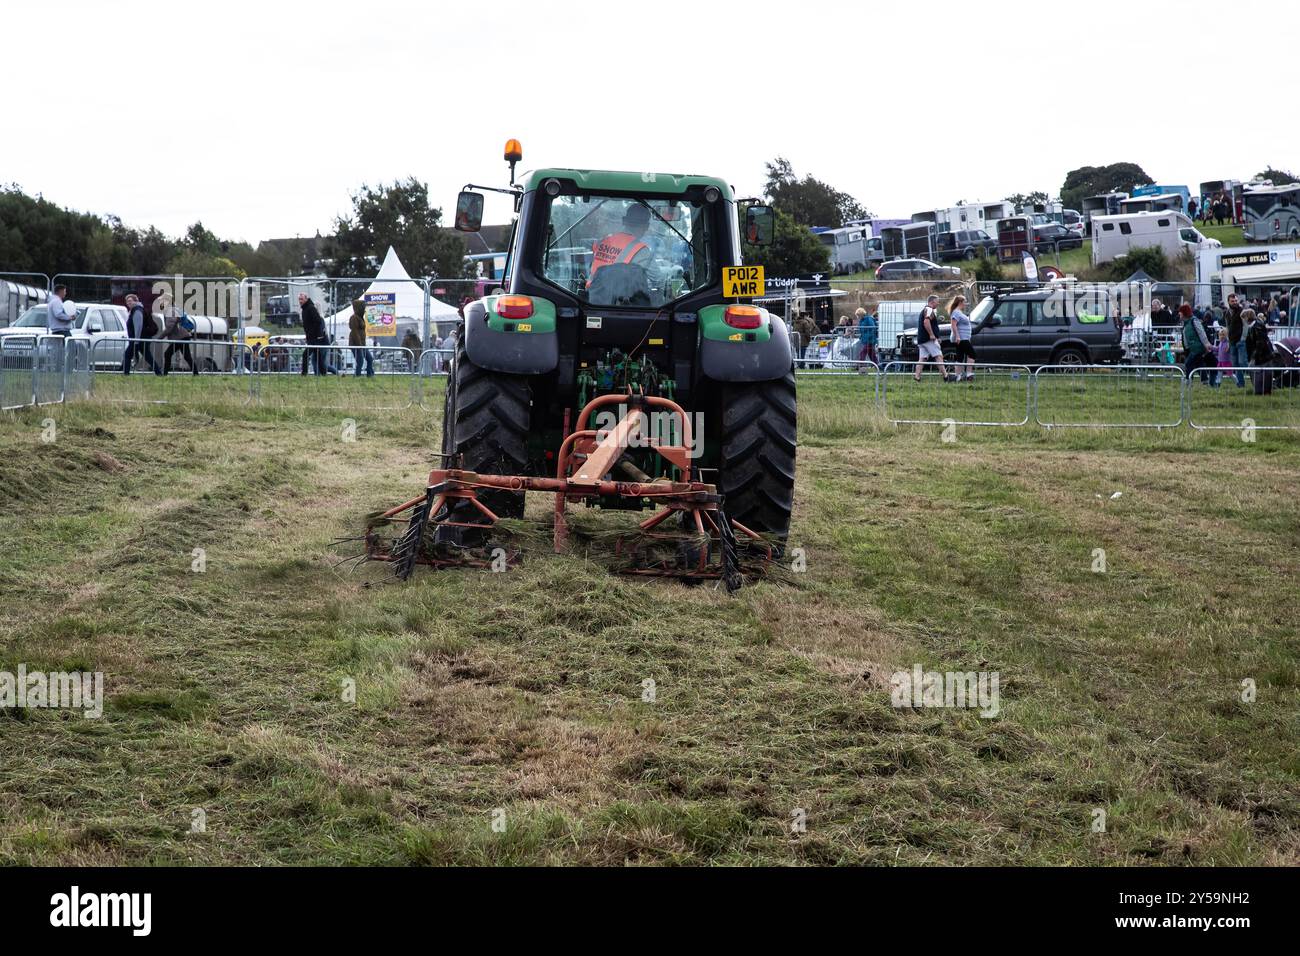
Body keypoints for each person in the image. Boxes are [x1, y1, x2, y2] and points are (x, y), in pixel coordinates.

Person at [587, 202, 652, 288]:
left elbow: (592, 268)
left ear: (623, 221)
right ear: (647, 226)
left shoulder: (602, 242)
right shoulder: (641, 250)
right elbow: (658, 279)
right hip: (616, 300)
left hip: (590, 296)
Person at [913, 295, 954, 382]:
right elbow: (926, 322)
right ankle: (946, 376)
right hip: (928, 339)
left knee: (922, 358)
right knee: (938, 356)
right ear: (932, 302)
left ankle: (917, 377)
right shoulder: (929, 309)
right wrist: (932, 335)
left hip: (922, 339)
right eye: (937, 302)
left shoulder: (924, 310)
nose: (938, 303)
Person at [159, 296, 198, 375]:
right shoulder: (173, 310)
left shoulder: (170, 311)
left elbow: (170, 327)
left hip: (179, 337)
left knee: (168, 354)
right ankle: (196, 373)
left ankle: (165, 374)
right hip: (182, 336)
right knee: (187, 356)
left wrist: (160, 337)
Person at [121, 294, 159, 374]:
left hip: (138, 339)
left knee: (127, 355)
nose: (128, 303)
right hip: (141, 339)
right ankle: (158, 372)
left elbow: (138, 327)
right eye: (127, 301)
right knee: (148, 357)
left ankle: (125, 374)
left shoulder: (137, 311)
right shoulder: (135, 310)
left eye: (130, 301)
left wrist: (136, 341)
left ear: (136, 301)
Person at [1179, 304, 1214, 383]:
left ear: (1184, 313)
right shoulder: (1185, 323)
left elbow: (1201, 333)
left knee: (1188, 363)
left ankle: (1188, 380)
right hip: (1190, 348)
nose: (1179, 314)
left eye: (1180, 313)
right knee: (1199, 364)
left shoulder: (1194, 321)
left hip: (1196, 348)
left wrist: (1207, 344)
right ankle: (1204, 380)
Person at [1244, 308, 1275, 395]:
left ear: (1247, 318)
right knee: (1263, 374)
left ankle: (1261, 392)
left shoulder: (1257, 327)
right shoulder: (1254, 326)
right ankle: (1263, 391)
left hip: (1262, 355)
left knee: (1262, 374)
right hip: (1262, 355)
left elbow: (1260, 343)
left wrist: (1254, 356)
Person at [948, 294, 976, 381]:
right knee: (972, 354)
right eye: (964, 302)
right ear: (960, 302)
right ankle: (968, 374)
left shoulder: (958, 312)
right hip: (961, 338)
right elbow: (953, 325)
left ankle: (958, 376)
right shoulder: (956, 312)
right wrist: (958, 337)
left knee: (960, 356)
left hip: (964, 338)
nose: (965, 304)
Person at [298, 293, 327, 376]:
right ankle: (323, 373)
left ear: (306, 299)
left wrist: (312, 332)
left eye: (301, 299)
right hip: (311, 337)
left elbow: (318, 320)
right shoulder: (305, 309)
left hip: (314, 337)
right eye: (299, 299)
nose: (300, 301)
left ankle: (304, 373)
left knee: (305, 355)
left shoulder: (310, 308)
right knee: (318, 357)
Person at [1225, 293, 1247, 387]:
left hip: (1240, 340)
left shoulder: (1242, 311)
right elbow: (1227, 327)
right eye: (1232, 301)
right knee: (1235, 364)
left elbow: (1245, 325)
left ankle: (1255, 378)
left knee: (1243, 362)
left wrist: (1243, 338)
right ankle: (1240, 384)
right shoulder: (1227, 313)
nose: (1235, 302)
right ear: (1228, 302)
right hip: (1232, 341)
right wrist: (1228, 341)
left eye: (1236, 301)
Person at [347, 299, 373, 377]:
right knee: (360, 361)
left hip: (362, 344)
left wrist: (362, 344)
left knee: (370, 359)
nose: (364, 309)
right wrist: (359, 345)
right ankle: (357, 376)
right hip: (356, 344)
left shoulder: (360, 317)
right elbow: (355, 332)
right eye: (363, 307)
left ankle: (370, 375)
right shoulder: (354, 318)